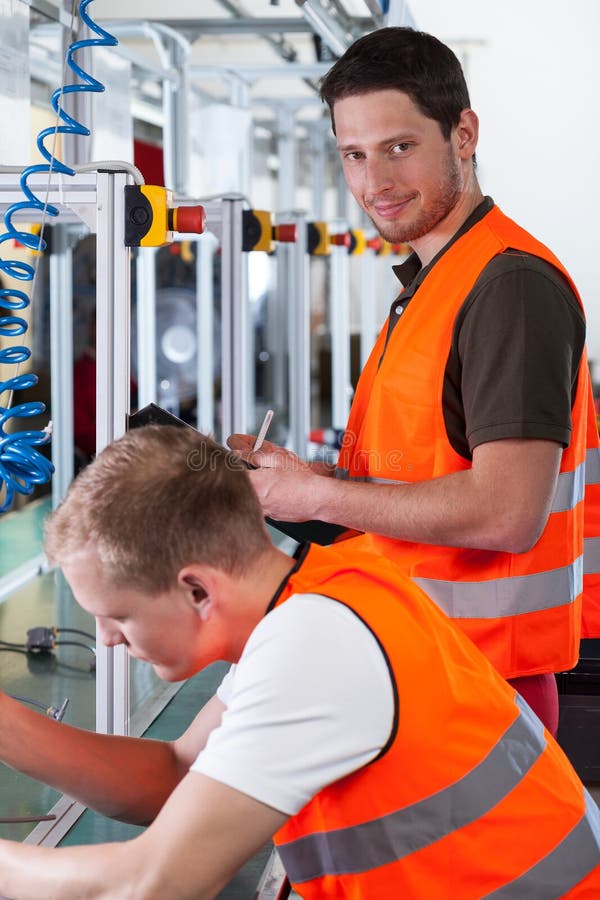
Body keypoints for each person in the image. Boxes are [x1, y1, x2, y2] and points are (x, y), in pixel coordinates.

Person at [0, 424, 598, 899]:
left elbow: (155, 883)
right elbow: (176, 776)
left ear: (198, 590)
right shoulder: (316, 595)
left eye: (119, 616)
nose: (105, 639)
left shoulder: (313, 646)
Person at [228, 26, 600, 737]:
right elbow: (422, 477)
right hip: (426, 661)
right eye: (354, 156)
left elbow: (506, 512)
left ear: (463, 134)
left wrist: (318, 493)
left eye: (399, 148)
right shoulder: (436, 282)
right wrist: (311, 481)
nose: (375, 184)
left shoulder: (509, 284)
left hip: (483, 685)